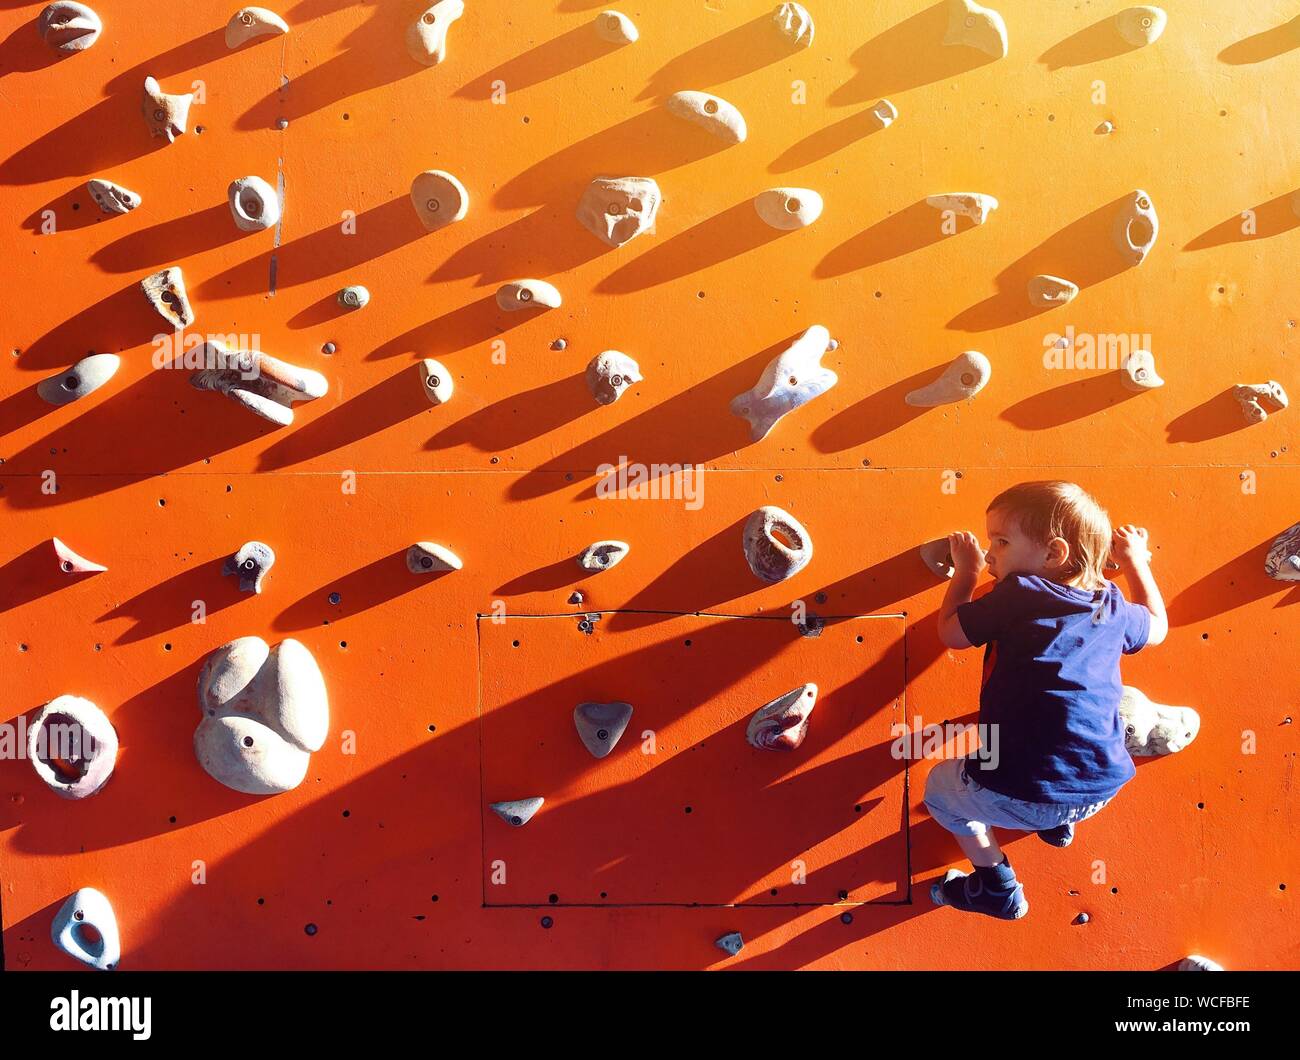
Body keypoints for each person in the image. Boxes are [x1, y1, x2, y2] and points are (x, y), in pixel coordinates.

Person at [923, 481, 1168, 919]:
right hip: (1099, 788)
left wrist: (966, 574)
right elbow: (1157, 626)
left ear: (1053, 555)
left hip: (1018, 791)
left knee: (940, 789)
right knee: (1057, 731)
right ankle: (1056, 823)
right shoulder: (1111, 604)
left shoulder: (1018, 595)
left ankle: (995, 886)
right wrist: (1135, 562)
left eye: (1000, 541)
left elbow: (950, 633)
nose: (989, 551)